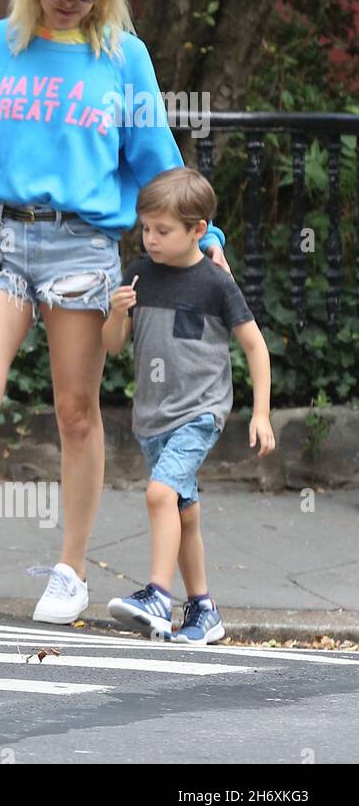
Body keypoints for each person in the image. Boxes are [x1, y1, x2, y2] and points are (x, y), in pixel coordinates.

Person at [0, 0, 230, 625]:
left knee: (77, 412)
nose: (66, 1)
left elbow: (156, 160)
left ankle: (70, 571)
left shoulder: (124, 58)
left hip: (83, 246)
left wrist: (207, 235)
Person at [103, 168, 274, 644]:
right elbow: (114, 345)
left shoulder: (216, 284)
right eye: (146, 229)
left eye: (163, 231)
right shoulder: (138, 273)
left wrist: (260, 412)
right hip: (152, 416)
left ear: (198, 229)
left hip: (199, 413)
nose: (151, 239)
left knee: (159, 495)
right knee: (182, 512)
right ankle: (204, 611)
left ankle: (158, 596)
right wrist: (117, 314)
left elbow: (256, 347)